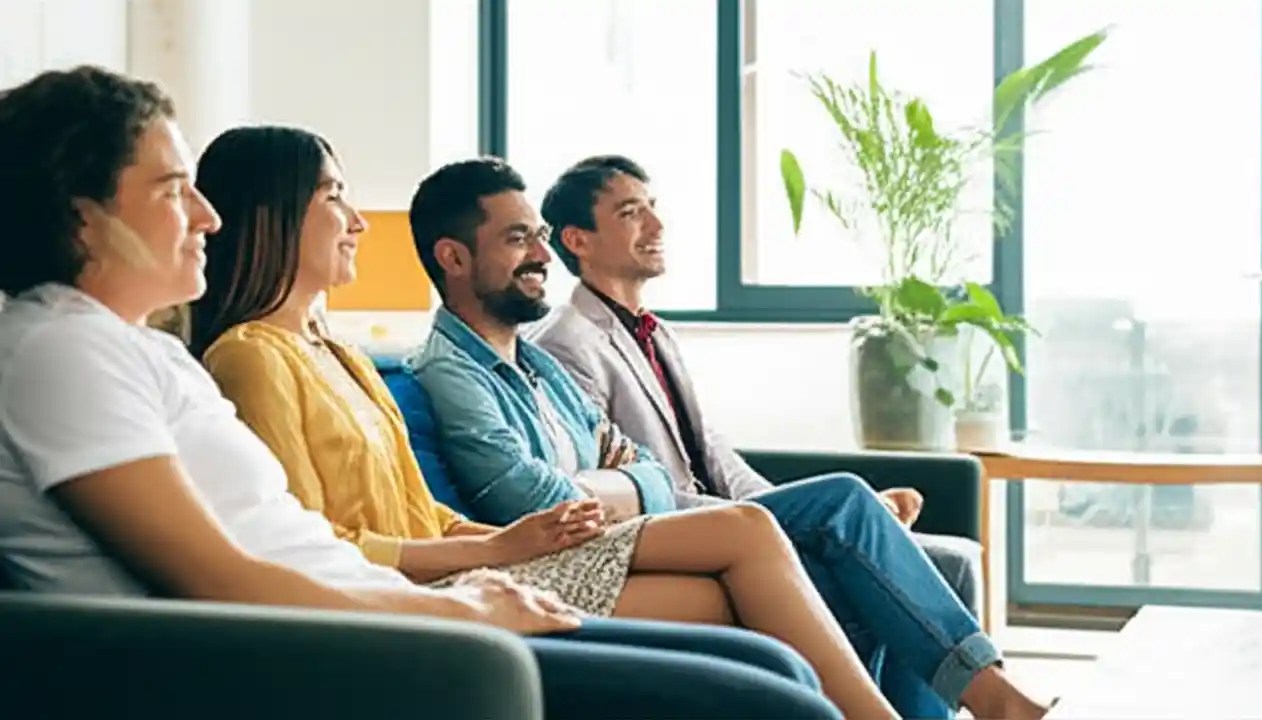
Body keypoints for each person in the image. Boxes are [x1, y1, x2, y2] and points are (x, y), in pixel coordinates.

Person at [0, 67, 847, 720]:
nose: (207, 216)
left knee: (778, 669)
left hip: (375, 618)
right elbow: (216, 577)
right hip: (330, 651)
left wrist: (469, 582)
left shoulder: (137, 352)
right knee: (776, 699)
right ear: (80, 215)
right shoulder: (61, 352)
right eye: (170, 189)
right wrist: (458, 608)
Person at [188, 126, 911, 720]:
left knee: (725, 586)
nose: (354, 221)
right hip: (413, 597)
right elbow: (317, 545)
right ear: (273, 213)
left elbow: (422, 512)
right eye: (334, 196)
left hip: (465, 562)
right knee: (748, 533)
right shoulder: (251, 358)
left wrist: (496, 541)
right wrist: (499, 548)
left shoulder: (339, 355)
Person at [407, 156, 1055, 720]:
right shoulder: (491, 361)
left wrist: (616, 484)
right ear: (455, 257)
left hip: (654, 524)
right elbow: (538, 500)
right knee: (844, 505)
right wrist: (628, 486)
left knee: (897, 543)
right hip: (612, 546)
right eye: (519, 238)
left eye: (539, 237)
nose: (542, 255)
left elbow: (661, 465)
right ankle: (992, 698)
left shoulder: (536, 360)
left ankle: (973, 700)